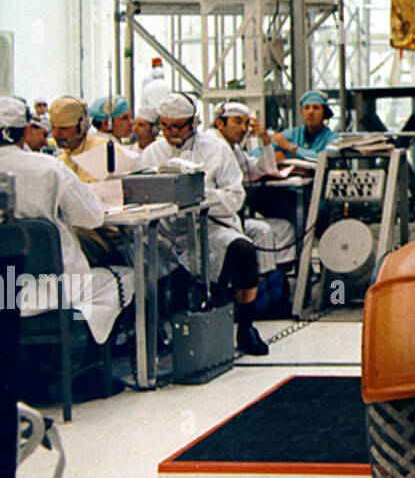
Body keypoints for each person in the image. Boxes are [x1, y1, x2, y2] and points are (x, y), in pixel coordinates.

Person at [137, 93, 268, 355]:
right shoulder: (153, 152)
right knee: (145, 263)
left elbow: (235, 197)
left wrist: (199, 194)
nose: (171, 133)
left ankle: (245, 327)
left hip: (210, 226)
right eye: (165, 126)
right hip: (167, 232)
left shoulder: (215, 148)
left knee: (243, 251)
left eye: (178, 126)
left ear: (194, 122)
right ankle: (161, 334)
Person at [0, 96, 133, 346]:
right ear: (24, 131)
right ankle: (91, 365)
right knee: (124, 277)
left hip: (5, 291)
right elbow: (92, 217)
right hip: (50, 289)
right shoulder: (47, 168)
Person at [211, 101, 296, 274]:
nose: (243, 129)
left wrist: (265, 140)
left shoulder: (233, 149)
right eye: (237, 122)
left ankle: (273, 286)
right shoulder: (214, 146)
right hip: (215, 221)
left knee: (282, 228)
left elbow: (260, 169)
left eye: (246, 123)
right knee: (264, 231)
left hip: (231, 217)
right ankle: (265, 289)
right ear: (220, 123)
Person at [49, 96, 139, 181]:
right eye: (53, 128)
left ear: (82, 126)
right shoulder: (61, 160)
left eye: (64, 129)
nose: (56, 134)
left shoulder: (106, 152)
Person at [255, 90, 336, 159]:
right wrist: (273, 156)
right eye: (307, 108)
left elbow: (324, 158)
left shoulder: (332, 139)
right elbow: (255, 153)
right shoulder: (292, 134)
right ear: (302, 112)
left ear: (324, 112)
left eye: (316, 108)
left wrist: (290, 147)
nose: (310, 112)